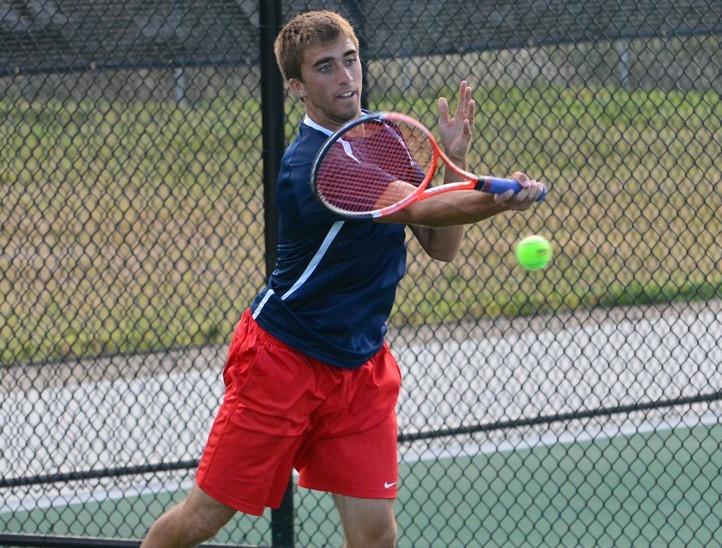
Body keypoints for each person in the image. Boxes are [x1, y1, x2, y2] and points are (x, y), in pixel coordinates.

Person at [142, 10, 545, 547]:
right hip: (282, 361)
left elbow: (440, 247)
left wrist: (458, 159)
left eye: (350, 61)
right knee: (203, 517)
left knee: (376, 535)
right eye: (325, 68)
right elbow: (417, 210)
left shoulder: (381, 137)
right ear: (296, 85)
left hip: (360, 367)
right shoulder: (314, 162)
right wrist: (497, 201)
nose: (345, 78)